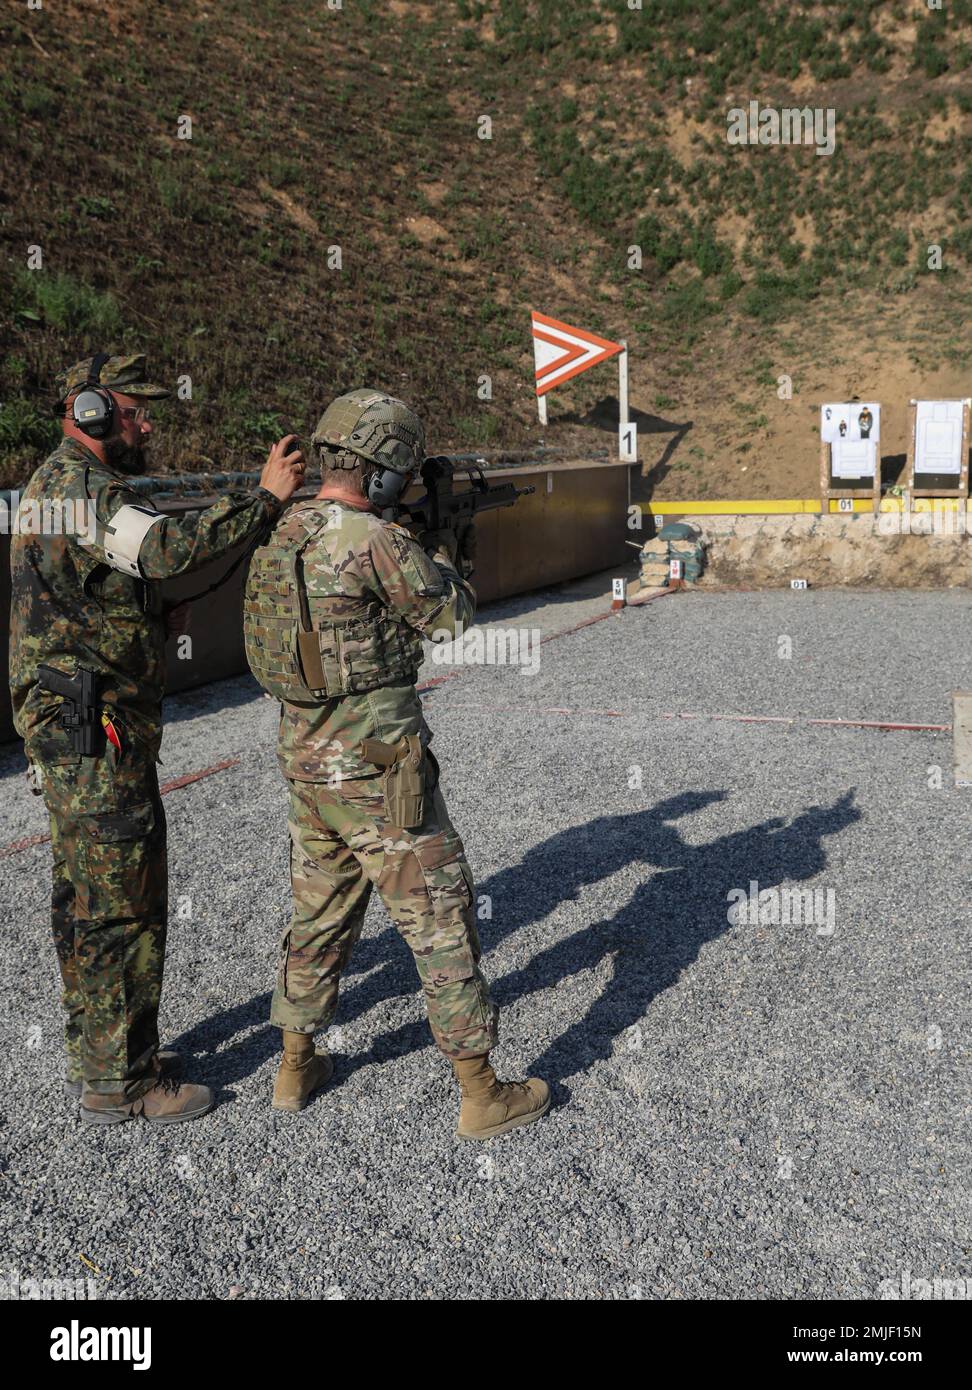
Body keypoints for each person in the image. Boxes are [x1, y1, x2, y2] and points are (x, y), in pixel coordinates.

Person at [243, 389, 550, 1140]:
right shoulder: (376, 540)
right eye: (401, 476)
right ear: (381, 473)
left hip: (306, 763)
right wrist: (448, 550)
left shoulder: (283, 530)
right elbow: (452, 617)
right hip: (382, 770)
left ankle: (294, 1065)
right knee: (439, 915)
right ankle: (481, 1093)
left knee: (318, 914)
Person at [8, 352, 306, 1125]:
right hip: (93, 730)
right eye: (135, 409)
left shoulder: (52, 483)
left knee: (85, 895)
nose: (146, 422)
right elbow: (165, 549)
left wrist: (141, 616)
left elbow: (76, 589)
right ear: (93, 410)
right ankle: (123, 1083)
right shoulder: (82, 486)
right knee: (121, 899)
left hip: (74, 720)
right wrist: (262, 500)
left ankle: (108, 1053)